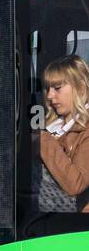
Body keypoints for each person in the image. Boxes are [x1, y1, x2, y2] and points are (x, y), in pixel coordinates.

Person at [37, 54, 89, 213]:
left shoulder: (85, 131)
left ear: (81, 87)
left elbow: (76, 184)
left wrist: (41, 139)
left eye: (57, 88)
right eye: (48, 88)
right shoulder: (52, 127)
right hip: (41, 219)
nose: (50, 95)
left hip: (73, 226)